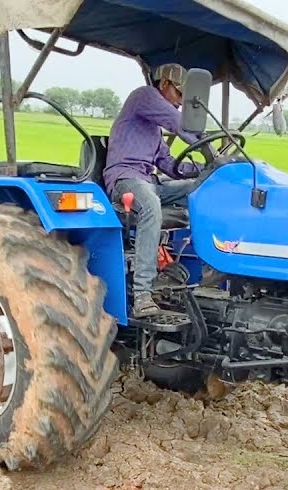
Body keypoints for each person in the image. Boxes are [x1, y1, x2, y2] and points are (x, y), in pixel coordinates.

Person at [103, 63, 201, 318]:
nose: (180, 102)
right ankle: (142, 295)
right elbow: (180, 123)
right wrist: (203, 141)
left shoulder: (154, 129)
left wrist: (202, 169)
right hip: (125, 178)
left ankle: (204, 273)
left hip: (150, 181)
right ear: (165, 84)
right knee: (150, 205)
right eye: (179, 94)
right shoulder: (143, 97)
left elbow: (169, 165)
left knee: (196, 190)